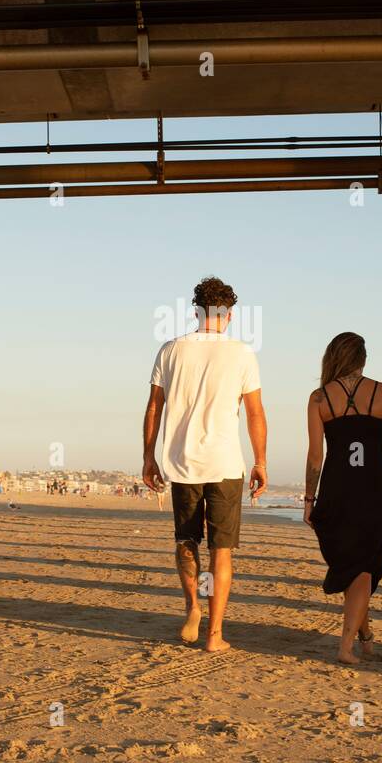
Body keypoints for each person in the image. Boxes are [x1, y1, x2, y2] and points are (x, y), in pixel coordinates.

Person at [143, 276, 267, 653]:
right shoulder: (243, 353)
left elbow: (154, 407)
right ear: (228, 315)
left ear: (196, 312)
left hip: (181, 462)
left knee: (186, 541)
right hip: (226, 463)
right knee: (222, 550)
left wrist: (148, 456)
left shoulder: (170, 350)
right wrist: (260, 461)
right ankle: (215, 635)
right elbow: (255, 413)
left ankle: (192, 608)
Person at [304, 332, 382, 664]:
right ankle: (346, 647)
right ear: (362, 359)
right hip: (373, 489)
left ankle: (366, 639)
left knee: (353, 565)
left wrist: (309, 500)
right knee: (362, 568)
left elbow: (316, 456)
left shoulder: (320, 399)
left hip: (337, 491)